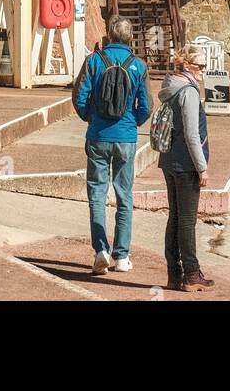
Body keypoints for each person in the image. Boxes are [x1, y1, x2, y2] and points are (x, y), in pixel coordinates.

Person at [72, 17, 150, 275]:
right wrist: (132, 123)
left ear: (108, 35)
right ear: (131, 38)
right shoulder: (138, 66)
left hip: (98, 136)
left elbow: (79, 96)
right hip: (126, 137)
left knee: (97, 194)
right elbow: (146, 106)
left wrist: (91, 118)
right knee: (124, 196)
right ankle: (122, 256)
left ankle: (100, 251)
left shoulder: (94, 61)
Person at [157, 44, 215, 292]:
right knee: (188, 220)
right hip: (185, 163)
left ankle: (174, 273)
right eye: (200, 66)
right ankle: (191, 273)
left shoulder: (170, 86)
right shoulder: (189, 92)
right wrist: (202, 168)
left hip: (169, 160)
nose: (204, 70)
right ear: (187, 65)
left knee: (175, 217)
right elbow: (192, 135)